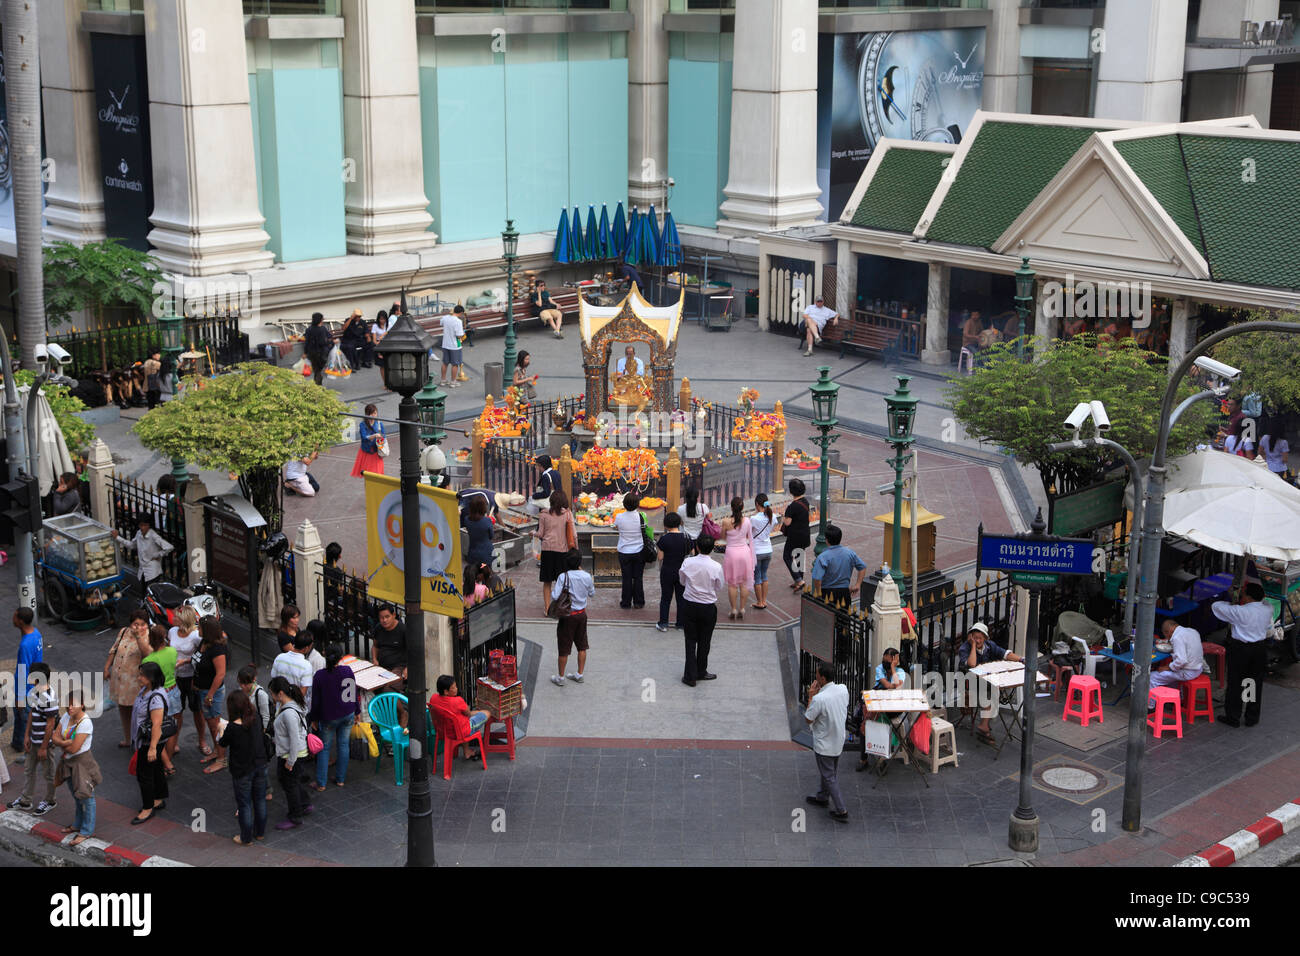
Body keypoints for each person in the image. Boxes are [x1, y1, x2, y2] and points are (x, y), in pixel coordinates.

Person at [1212, 583, 1273, 727]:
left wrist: (1233, 598)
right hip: (1259, 649)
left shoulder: (1239, 611)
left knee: (1235, 682)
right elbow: (1264, 601)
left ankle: (1233, 716)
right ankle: (1251, 717)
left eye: (1244, 594)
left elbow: (1216, 606)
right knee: (1253, 682)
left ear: (1248, 597)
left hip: (1241, 649)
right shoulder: (1268, 608)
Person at [957, 622, 1021, 744]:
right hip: (969, 684)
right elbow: (972, 664)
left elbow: (1005, 654)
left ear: (985, 638)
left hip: (986, 681)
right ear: (971, 638)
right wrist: (973, 646)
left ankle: (984, 725)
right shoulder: (965, 648)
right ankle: (984, 726)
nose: (978, 640)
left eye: (980, 638)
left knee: (994, 690)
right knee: (988, 695)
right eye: (975, 637)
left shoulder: (990, 646)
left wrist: (1021, 659)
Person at [51, 689, 100, 846]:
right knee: (76, 795)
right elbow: (55, 736)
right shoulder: (66, 716)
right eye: (68, 704)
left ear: (82, 705)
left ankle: (86, 831)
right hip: (68, 761)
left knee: (86, 796)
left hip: (81, 763)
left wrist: (61, 743)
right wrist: (65, 742)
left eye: (74, 705)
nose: (69, 708)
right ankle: (77, 825)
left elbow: (75, 749)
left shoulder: (85, 723)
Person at [218, 690, 268, 846]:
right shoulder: (256, 719)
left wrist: (221, 728)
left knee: (244, 804)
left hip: (242, 771)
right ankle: (259, 833)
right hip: (260, 764)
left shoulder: (232, 728)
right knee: (260, 800)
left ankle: (246, 838)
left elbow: (222, 743)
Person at [8, 663, 57, 814]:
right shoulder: (35, 693)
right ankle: (25, 800)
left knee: (49, 773)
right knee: (29, 770)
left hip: (45, 744)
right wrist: (26, 735)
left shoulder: (49, 698)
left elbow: (50, 725)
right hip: (34, 740)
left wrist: (43, 747)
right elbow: (31, 714)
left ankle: (50, 800)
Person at [309, 644, 359, 791]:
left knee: (324, 749)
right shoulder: (347, 670)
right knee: (343, 745)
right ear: (340, 657)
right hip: (348, 713)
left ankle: (321, 783)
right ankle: (340, 779)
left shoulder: (319, 676)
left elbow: (316, 701)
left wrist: (314, 718)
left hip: (328, 718)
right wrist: (356, 711)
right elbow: (352, 693)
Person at [804, 661, 849, 822]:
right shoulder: (843, 690)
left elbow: (809, 718)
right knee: (829, 772)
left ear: (822, 678)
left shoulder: (819, 699)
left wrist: (810, 696)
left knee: (829, 776)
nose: (815, 676)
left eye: (817, 674)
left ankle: (841, 809)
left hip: (824, 744)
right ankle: (823, 796)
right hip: (838, 739)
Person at [679, 535, 725, 686]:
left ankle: (690, 676)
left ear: (697, 547)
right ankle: (701, 671)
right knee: (705, 641)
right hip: (707, 607)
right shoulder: (716, 566)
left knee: (690, 640)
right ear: (712, 548)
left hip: (690, 604)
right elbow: (719, 586)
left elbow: (682, 581)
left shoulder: (688, 562)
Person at [269, 676, 311, 830]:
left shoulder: (288, 713)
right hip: (294, 752)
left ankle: (295, 816)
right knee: (293, 782)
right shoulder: (292, 706)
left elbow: (294, 738)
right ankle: (305, 804)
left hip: (291, 754)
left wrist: (290, 761)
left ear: (280, 693)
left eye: (272, 693)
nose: (272, 697)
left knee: (289, 784)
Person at [103, 609, 149, 751]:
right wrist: (106, 667)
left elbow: (146, 653)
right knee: (123, 708)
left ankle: (140, 740)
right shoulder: (123, 631)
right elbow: (114, 650)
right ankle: (128, 738)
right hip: (119, 678)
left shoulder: (148, 635)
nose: (139, 627)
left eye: (142, 624)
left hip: (135, 681)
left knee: (138, 711)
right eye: (136, 624)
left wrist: (139, 637)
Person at [130, 661, 170, 825]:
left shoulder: (156, 698)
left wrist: (152, 748)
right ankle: (159, 798)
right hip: (145, 740)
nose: (138, 677)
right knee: (156, 769)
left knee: (144, 774)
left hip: (149, 742)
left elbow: (156, 724)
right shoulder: (146, 691)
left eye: (142, 675)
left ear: (151, 678)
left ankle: (147, 808)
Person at [550, 549, 595, 686]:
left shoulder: (563, 577)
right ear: (580, 562)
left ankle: (561, 677)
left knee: (564, 647)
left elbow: (555, 596)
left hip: (567, 616)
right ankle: (579, 674)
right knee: (582, 645)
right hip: (581, 614)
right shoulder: (587, 576)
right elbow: (592, 593)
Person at [168, 606, 206, 758]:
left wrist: (185, 661)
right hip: (176, 677)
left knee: (197, 710)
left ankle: (202, 740)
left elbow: (202, 655)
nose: (173, 619)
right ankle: (174, 742)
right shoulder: (172, 632)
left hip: (192, 677)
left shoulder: (196, 636)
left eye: (176, 617)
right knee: (177, 711)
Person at [141, 625, 180, 776]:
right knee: (170, 728)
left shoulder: (148, 660)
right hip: (174, 690)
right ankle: (168, 759)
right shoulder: (172, 651)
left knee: (156, 728)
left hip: (158, 695)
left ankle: (165, 762)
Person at [193, 616, 229, 774]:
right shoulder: (204, 643)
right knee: (210, 723)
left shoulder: (217, 649)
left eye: (199, 627)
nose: (197, 630)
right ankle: (216, 751)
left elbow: (220, 674)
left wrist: (210, 695)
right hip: (202, 690)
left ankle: (221, 759)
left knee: (216, 726)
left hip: (211, 693)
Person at [534, 489, 576, 614]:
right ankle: (560, 607)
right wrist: (575, 550)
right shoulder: (567, 514)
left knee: (547, 582)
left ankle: (547, 609)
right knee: (562, 581)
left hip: (547, 551)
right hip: (562, 551)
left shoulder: (543, 514)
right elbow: (574, 534)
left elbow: (540, 534)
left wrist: (533, 533)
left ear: (551, 501)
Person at [112, 512, 174, 595]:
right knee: (144, 594)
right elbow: (131, 545)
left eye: (144, 525)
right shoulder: (139, 534)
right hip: (143, 571)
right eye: (141, 525)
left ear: (149, 525)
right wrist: (117, 538)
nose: (142, 528)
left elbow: (169, 547)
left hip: (153, 572)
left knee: (151, 595)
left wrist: (157, 555)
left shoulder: (153, 536)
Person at [238, 665, 275, 805]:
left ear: (253, 680)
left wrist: (262, 734)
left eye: (246, 683)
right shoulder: (241, 692)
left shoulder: (261, 694)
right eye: (241, 683)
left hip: (258, 734)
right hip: (246, 731)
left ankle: (267, 789)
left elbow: (266, 717)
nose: (243, 686)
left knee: (261, 763)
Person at [429, 675, 491, 758]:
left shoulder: (433, 698)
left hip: (443, 732)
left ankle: (467, 752)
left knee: (461, 719)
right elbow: (468, 714)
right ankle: (484, 749)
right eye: (453, 687)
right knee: (487, 713)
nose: (456, 689)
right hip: (459, 732)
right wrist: (479, 712)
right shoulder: (457, 701)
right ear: (446, 692)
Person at [11, 607, 43, 755]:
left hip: (26, 689)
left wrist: (19, 698)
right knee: (21, 717)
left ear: (21, 621)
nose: (13, 618)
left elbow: (22, 672)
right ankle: (17, 743)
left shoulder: (25, 646)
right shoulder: (36, 634)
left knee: (23, 717)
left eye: (15, 617)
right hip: (35, 683)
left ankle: (25, 748)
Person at [811, 525, 867, 606]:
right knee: (844, 616)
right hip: (844, 593)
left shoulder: (823, 557)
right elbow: (862, 567)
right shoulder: (849, 553)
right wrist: (857, 584)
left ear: (826, 540)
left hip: (827, 593)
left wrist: (819, 593)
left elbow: (817, 578)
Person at [1150, 620, 1205, 698]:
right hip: (1198, 668)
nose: (1167, 638)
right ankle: (1177, 699)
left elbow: (1181, 661)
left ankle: (1151, 707)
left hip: (1188, 672)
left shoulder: (1177, 637)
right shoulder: (1192, 631)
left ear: (1168, 632)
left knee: (1152, 677)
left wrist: (1167, 667)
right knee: (1171, 673)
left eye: (1166, 635)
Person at [720, 496, 755, 620]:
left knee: (732, 583)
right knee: (744, 582)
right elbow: (748, 536)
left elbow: (723, 537)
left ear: (731, 508)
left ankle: (733, 609)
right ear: (743, 507)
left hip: (731, 553)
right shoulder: (747, 521)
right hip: (744, 552)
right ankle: (742, 608)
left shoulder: (725, 522)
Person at [656, 511, 690, 633]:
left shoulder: (664, 539)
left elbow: (660, 557)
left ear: (665, 525)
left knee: (666, 598)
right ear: (679, 523)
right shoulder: (686, 538)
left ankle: (663, 623)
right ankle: (680, 624)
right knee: (681, 598)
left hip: (667, 571)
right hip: (682, 571)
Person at [614, 492, 646, 610]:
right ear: (637, 504)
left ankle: (626, 602)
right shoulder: (641, 516)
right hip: (639, 551)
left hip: (624, 551)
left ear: (624, 504)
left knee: (626, 578)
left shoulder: (619, 517)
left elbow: (616, 527)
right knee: (638, 577)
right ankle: (639, 602)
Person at [271, 630, 314, 712]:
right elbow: (302, 693)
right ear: (306, 648)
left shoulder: (279, 658)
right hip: (295, 710)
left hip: (280, 706)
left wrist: (276, 702)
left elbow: (273, 683)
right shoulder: (306, 666)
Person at [780, 479, 810, 590]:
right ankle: (799, 580)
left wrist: (783, 515)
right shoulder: (805, 501)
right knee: (800, 557)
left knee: (787, 556)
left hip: (795, 537)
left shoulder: (792, 506)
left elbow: (787, 522)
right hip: (804, 535)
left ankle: (799, 580)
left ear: (791, 491)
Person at [749, 493, 777, 611]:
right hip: (768, 550)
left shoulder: (754, 518)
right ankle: (764, 600)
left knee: (757, 577)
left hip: (757, 551)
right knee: (764, 575)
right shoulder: (773, 516)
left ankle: (759, 602)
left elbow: (749, 532)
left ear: (756, 504)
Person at [462, 495, 495, 574]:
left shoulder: (467, 520)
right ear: (483, 508)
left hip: (472, 555)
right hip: (486, 556)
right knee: (486, 575)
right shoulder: (487, 521)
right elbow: (491, 536)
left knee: (474, 575)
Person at [351, 404, 386, 477]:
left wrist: (380, 438)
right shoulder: (362, 424)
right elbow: (364, 437)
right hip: (366, 453)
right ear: (367, 414)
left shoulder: (379, 423)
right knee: (368, 475)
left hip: (377, 452)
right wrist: (374, 436)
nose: (373, 415)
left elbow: (384, 435)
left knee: (378, 475)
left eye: (375, 413)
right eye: (371, 413)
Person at [439, 309, 465, 387]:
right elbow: (459, 335)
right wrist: (463, 333)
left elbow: (441, 323)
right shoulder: (458, 321)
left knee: (445, 363)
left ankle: (443, 380)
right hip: (455, 346)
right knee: (455, 364)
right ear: (460, 313)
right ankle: (453, 382)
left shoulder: (445, 317)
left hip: (445, 344)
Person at [304, 312, 331, 387]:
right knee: (318, 370)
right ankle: (318, 385)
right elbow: (324, 341)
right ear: (320, 320)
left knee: (316, 370)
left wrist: (305, 352)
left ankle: (317, 385)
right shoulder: (322, 329)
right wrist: (331, 341)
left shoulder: (309, 329)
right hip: (321, 353)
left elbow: (306, 342)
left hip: (312, 353)